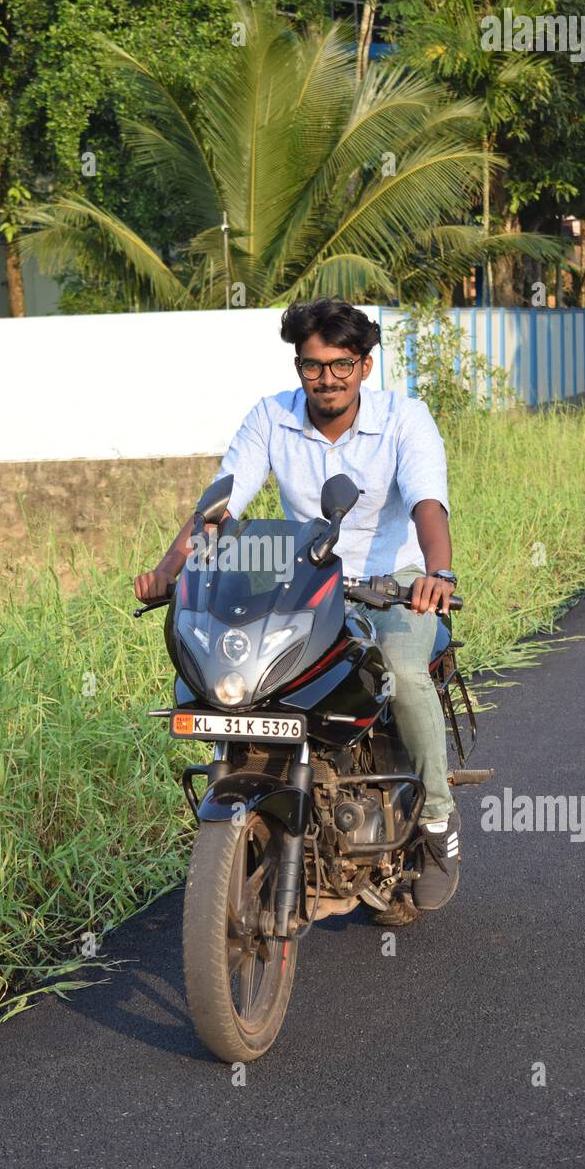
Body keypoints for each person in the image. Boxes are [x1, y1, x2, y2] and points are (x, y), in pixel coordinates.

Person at [133, 298, 460, 910]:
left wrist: (437, 573)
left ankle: (439, 822)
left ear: (365, 366)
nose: (327, 379)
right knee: (248, 678)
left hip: (392, 579)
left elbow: (427, 503)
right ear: (298, 366)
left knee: (407, 674)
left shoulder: (403, 418)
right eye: (313, 366)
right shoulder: (270, 418)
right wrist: (168, 572)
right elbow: (220, 506)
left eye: (342, 365)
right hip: (307, 578)